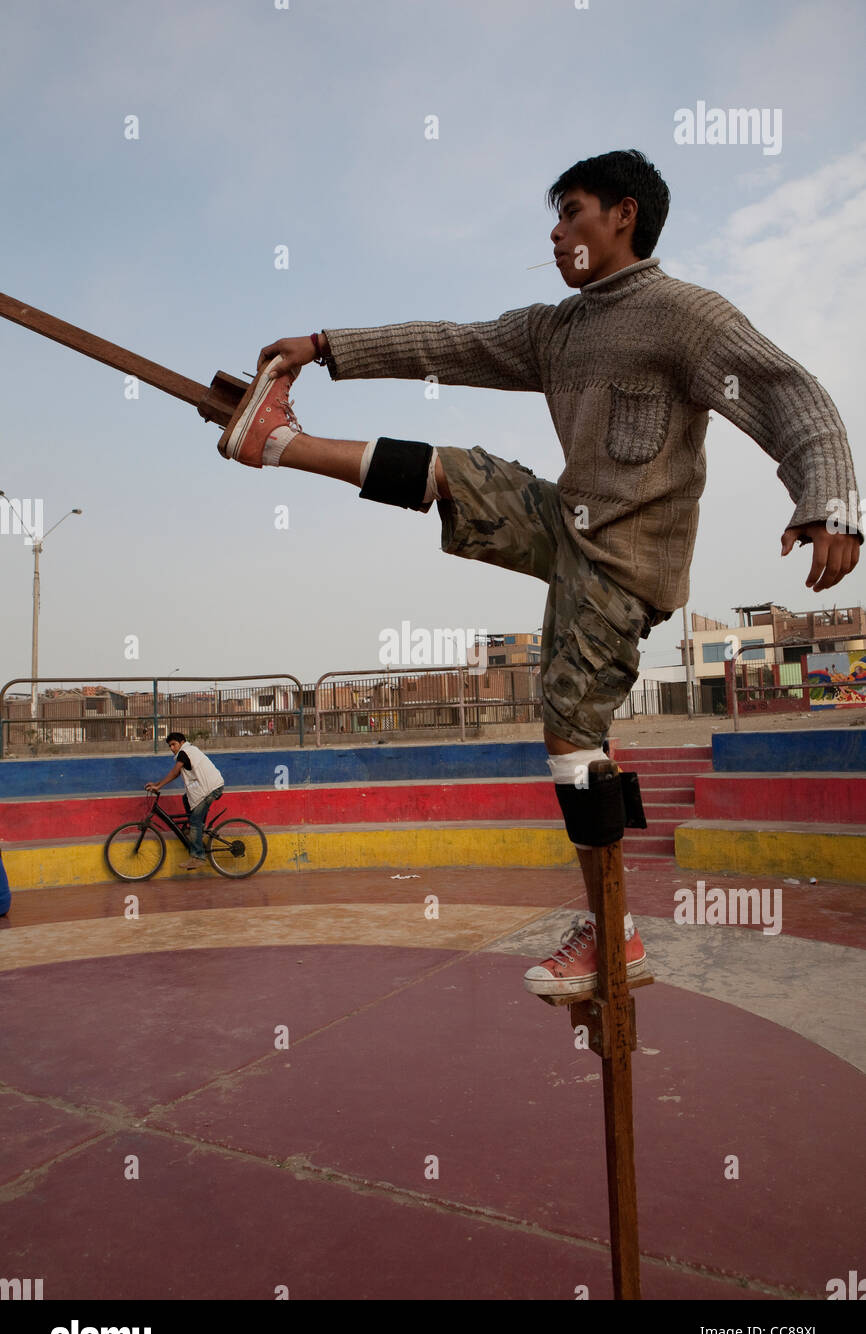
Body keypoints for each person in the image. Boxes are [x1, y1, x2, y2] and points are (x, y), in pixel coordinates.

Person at [216, 148, 862, 994]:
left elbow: (789, 392)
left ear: (623, 215)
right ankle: (276, 442)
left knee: (569, 733)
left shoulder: (685, 317)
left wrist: (830, 503)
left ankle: (616, 932)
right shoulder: (555, 330)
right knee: (461, 474)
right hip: (567, 524)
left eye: (572, 213)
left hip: (627, 564)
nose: (556, 235)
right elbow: (450, 344)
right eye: (554, 219)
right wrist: (326, 346)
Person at [145, 732, 224, 870]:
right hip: (208, 787)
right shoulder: (188, 752)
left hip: (210, 788)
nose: (172, 748)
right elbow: (177, 773)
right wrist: (157, 783)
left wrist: (158, 786)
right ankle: (199, 829)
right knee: (186, 798)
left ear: (182, 742)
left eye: (173, 744)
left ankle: (198, 857)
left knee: (194, 822)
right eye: (170, 746)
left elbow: (175, 772)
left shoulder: (184, 752)